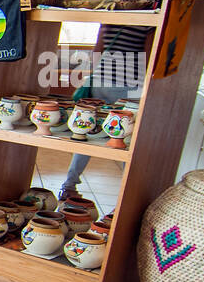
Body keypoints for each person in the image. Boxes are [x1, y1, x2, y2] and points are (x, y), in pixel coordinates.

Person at [57, 25, 153, 201]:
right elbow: (147, 58)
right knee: (125, 136)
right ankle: (128, 196)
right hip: (128, 85)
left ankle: (69, 186)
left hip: (100, 82)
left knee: (85, 131)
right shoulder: (147, 25)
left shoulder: (110, 21)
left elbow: (97, 53)